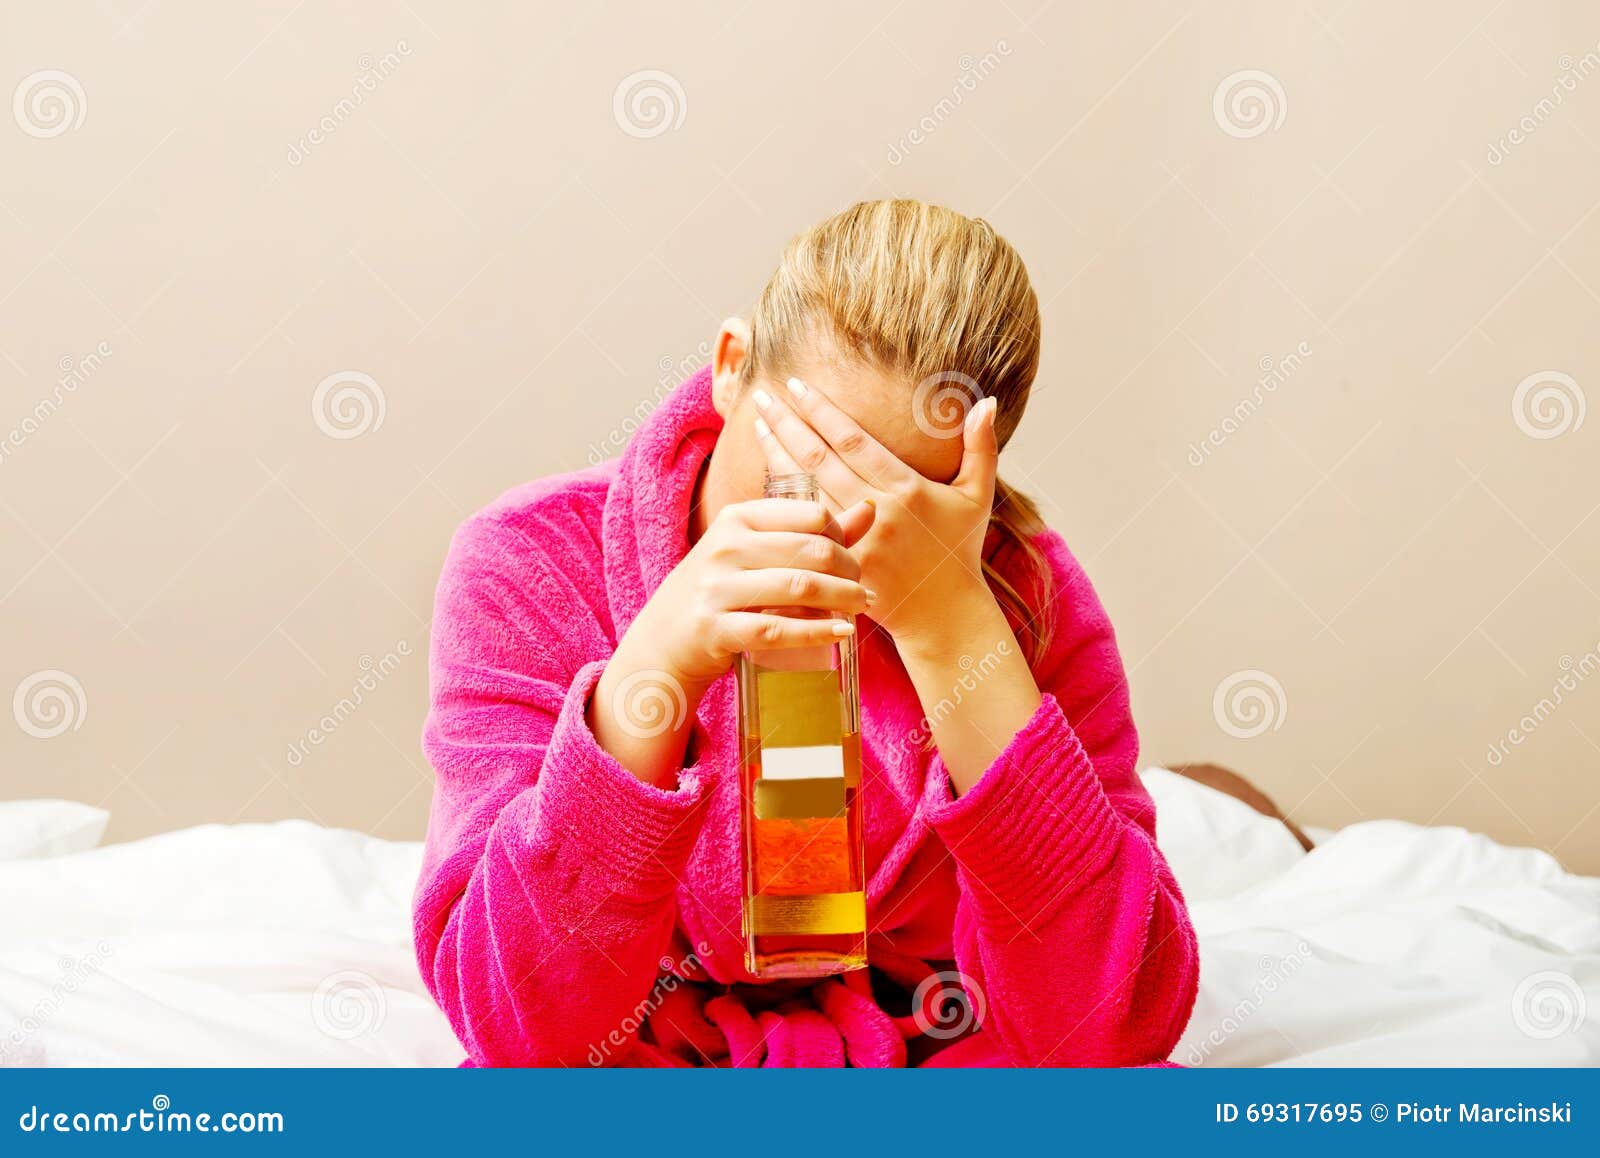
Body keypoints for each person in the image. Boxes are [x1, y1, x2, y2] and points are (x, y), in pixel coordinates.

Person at [413, 199, 1198, 1066]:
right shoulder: (530, 561)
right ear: (730, 366)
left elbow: (1115, 1033)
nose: (829, 533)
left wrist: (957, 636)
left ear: (971, 480)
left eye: (894, 501)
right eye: (800, 465)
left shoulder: (1024, 598)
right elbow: (514, 1023)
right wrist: (652, 673)